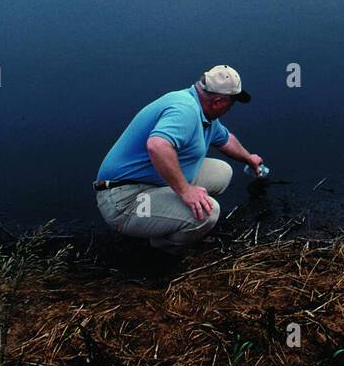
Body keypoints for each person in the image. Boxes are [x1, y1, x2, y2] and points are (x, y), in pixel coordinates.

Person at [94, 65, 263, 253]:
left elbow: (226, 139)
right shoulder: (184, 110)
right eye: (231, 103)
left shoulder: (201, 110)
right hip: (124, 199)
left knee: (221, 171)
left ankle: (167, 218)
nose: (231, 108)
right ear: (217, 102)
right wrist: (185, 191)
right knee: (208, 214)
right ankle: (162, 248)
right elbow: (157, 146)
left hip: (148, 182)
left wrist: (250, 158)